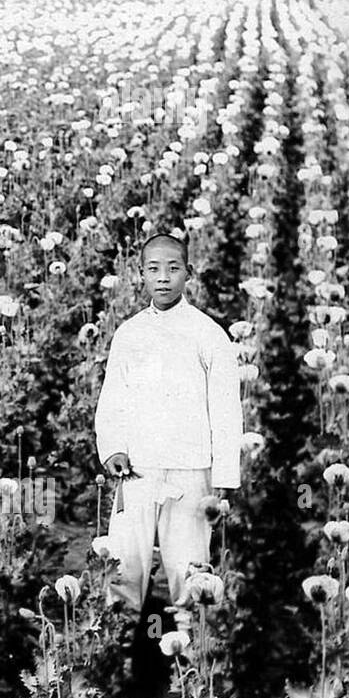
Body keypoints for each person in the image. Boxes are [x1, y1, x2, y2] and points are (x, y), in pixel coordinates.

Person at [95, 233, 243, 612]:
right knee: (124, 562)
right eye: (153, 269)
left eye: (173, 269)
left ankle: (191, 650)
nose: (163, 278)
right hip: (138, 469)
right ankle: (117, 639)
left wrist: (222, 480)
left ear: (189, 274)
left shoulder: (208, 335)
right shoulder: (129, 334)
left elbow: (226, 411)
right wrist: (112, 447)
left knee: (189, 566)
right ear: (140, 274)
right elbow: (113, 398)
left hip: (191, 470)